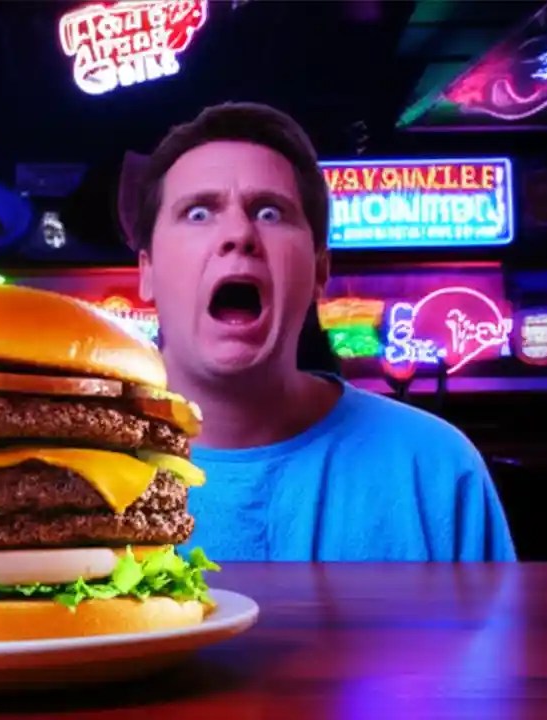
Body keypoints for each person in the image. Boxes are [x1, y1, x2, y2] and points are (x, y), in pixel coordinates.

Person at [130, 102, 516, 561]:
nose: (239, 233)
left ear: (319, 270)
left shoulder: (435, 467)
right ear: (147, 272)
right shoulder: (61, 467)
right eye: (198, 213)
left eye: (270, 213)